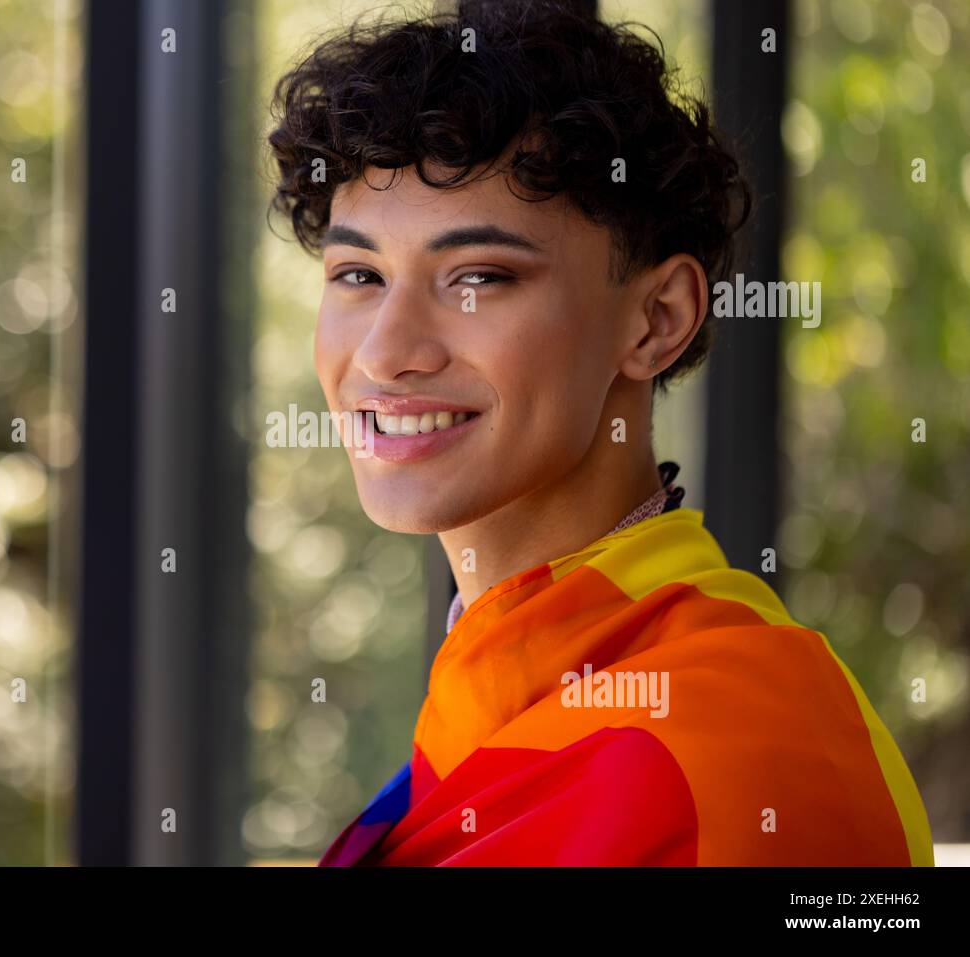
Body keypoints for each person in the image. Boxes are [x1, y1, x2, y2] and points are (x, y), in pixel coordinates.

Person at [265, 0, 933, 865]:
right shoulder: (504, 682)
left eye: (479, 276)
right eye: (359, 274)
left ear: (658, 318)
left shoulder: (724, 743)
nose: (388, 352)